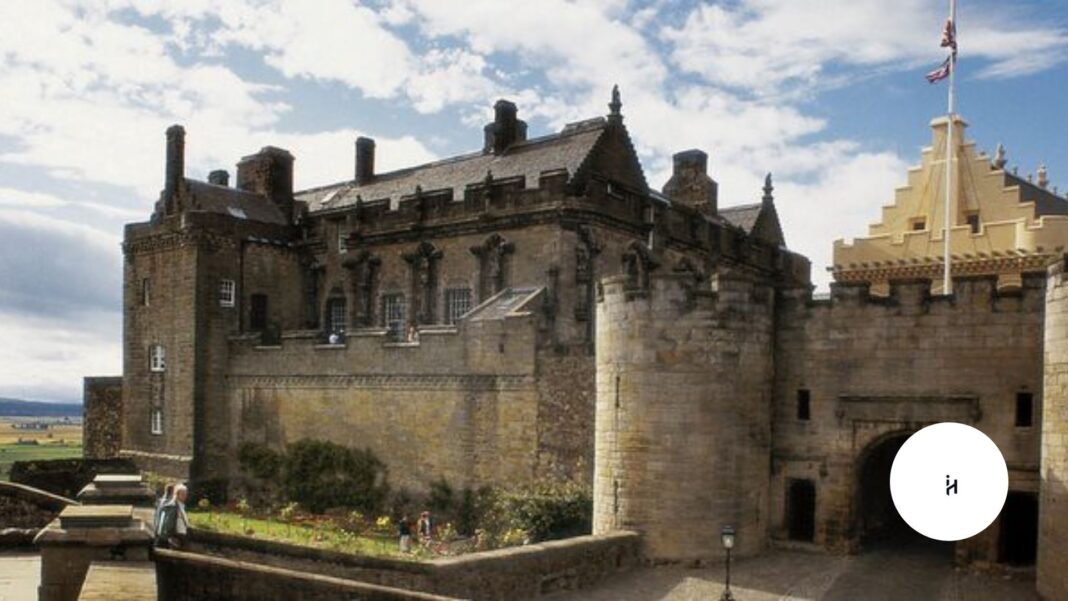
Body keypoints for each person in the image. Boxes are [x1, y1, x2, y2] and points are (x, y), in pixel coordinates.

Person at [156, 483, 191, 549]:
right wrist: (170, 537)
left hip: (182, 535)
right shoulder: (173, 506)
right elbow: (168, 523)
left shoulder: (181, 505)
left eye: (186, 494)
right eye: (183, 494)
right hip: (176, 536)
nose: (185, 496)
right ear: (176, 494)